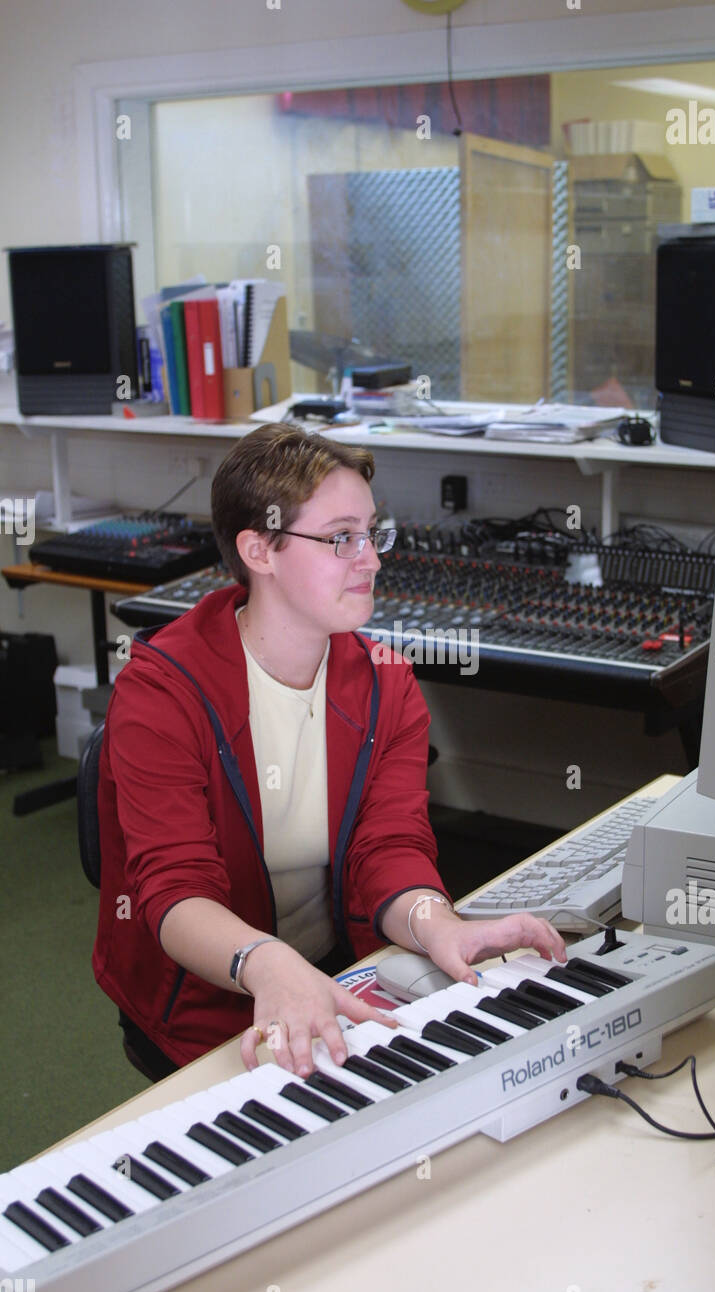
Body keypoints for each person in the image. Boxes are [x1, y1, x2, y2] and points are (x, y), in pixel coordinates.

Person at [92, 423, 565, 1082]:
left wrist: (438, 923)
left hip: (338, 976)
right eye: (342, 537)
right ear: (260, 550)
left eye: (373, 533)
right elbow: (174, 894)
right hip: (203, 1006)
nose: (370, 559)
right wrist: (269, 965)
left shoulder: (386, 682)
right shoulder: (162, 690)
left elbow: (388, 848)